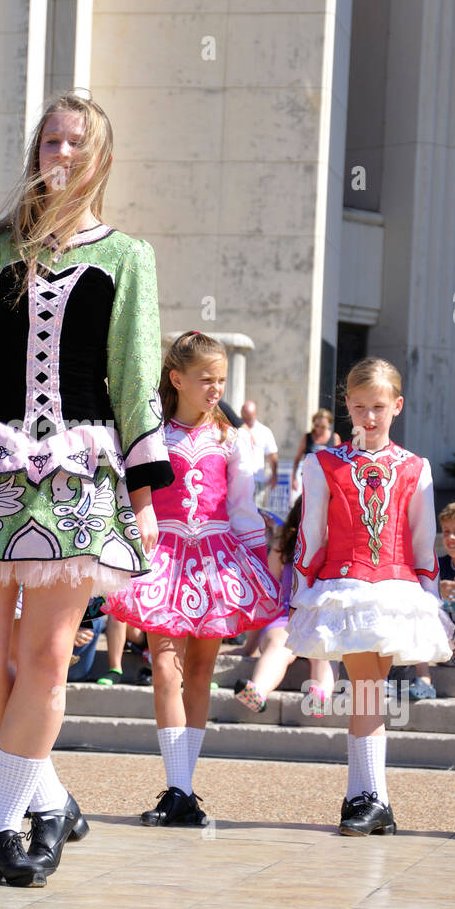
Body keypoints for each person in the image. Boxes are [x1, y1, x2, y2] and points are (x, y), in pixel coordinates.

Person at [0, 92, 172, 887]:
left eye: (74, 144)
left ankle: (1, 827)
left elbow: (134, 377)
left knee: (47, 654)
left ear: (100, 159)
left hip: (80, 477)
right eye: (49, 140)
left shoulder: (129, 256)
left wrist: (146, 497)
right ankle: (49, 796)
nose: (59, 154)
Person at [103, 331, 282, 826]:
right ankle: (177, 787)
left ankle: (184, 789)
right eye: (206, 379)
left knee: (201, 672)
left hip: (217, 560)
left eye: (221, 380)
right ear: (176, 379)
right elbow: (128, 494)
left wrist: (254, 564)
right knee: (164, 666)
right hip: (164, 558)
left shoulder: (233, 437)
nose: (216, 389)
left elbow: (243, 507)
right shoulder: (151, 433)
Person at [286, 358, 453, 835]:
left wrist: (428, 597)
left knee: (368, 693)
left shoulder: (415, 467)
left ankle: (364, 797)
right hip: (347, 588)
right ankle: (369, 798)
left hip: (398, 592)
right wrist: (302, 591)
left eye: (379, 407)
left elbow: (423, 541)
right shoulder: (323, 464)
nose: (369, 417)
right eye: (359, 407)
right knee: (366, 692)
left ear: (397, 406)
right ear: (347, 407)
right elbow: (310, 534)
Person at [233, 498, 335, 714]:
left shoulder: (339, 552)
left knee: (323, 649)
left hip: (323, 620)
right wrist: (249, 646)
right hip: (284, 618)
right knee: (278, 645)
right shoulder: (283, 548)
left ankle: (320, 695)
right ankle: (257, 692)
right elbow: (267, 597)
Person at [408, 497, 455, 689]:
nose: (450, 538)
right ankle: (424, 681)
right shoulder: (437, 567)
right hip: (447, 651)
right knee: (420, 602)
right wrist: (436, 590)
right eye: (446, 532)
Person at [290, 408, 341, 497]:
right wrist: (294, 478)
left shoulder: (334, 438)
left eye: (323, 427)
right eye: (316, 425)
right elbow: (297, 459)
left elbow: (339, 461)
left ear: (329, 425)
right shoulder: (307, 437)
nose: (319, 429)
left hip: (327, 480)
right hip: (309, 479)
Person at [239, 399, 278, 506]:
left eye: (249, 418)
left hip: (256, 480)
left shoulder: (264, 431)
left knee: (256, 512)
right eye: (244, 418)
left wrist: (274, 475)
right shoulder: (235, 428)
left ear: (255, 415)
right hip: (238, 479)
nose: (246, 421)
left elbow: (272, 454)